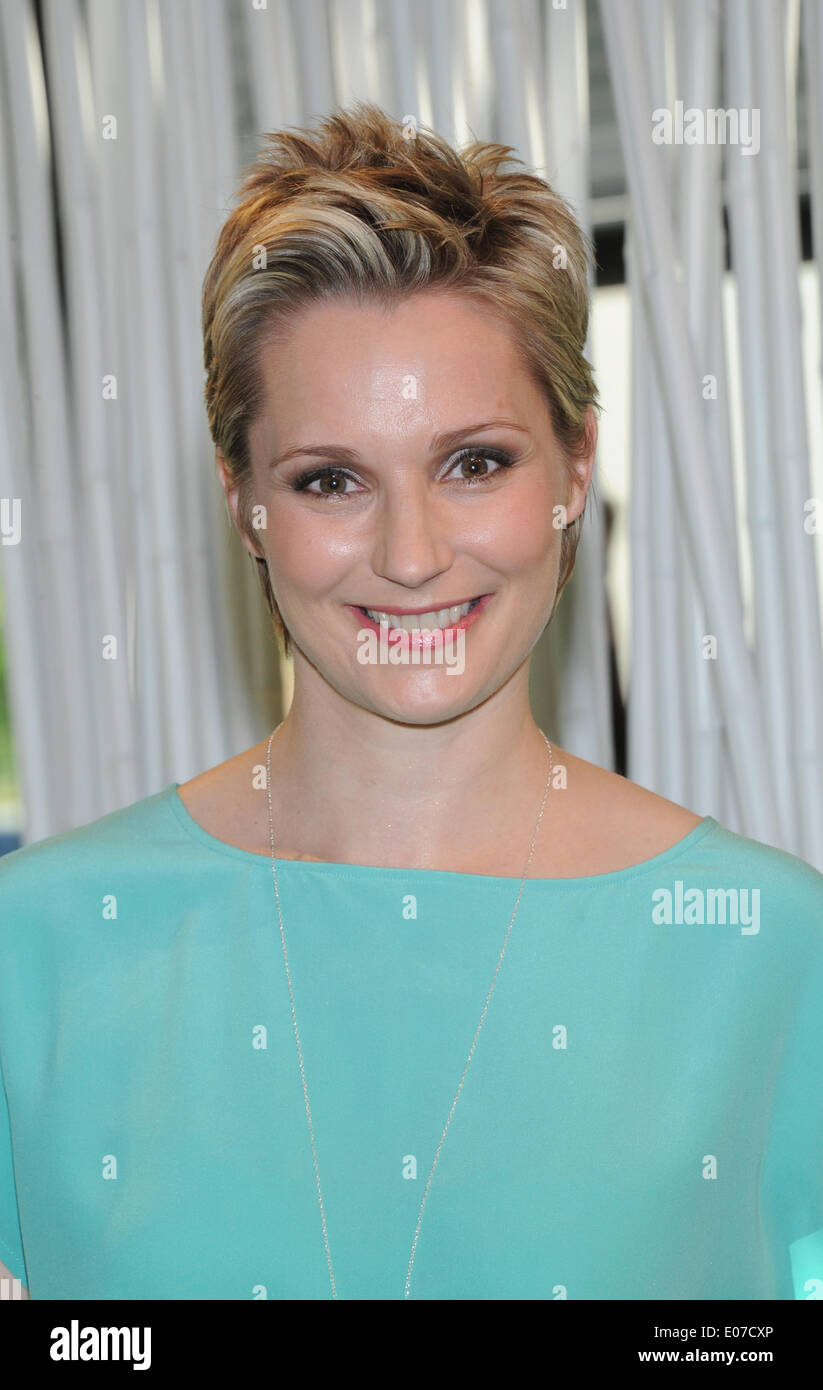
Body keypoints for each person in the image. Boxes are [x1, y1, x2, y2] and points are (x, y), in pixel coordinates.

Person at [1, 102, 821, 1301]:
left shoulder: (766, 949)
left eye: (473, 462)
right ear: (245, 503)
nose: (411, 552)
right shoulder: (40, 950)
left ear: (575, 466)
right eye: (330, 479)